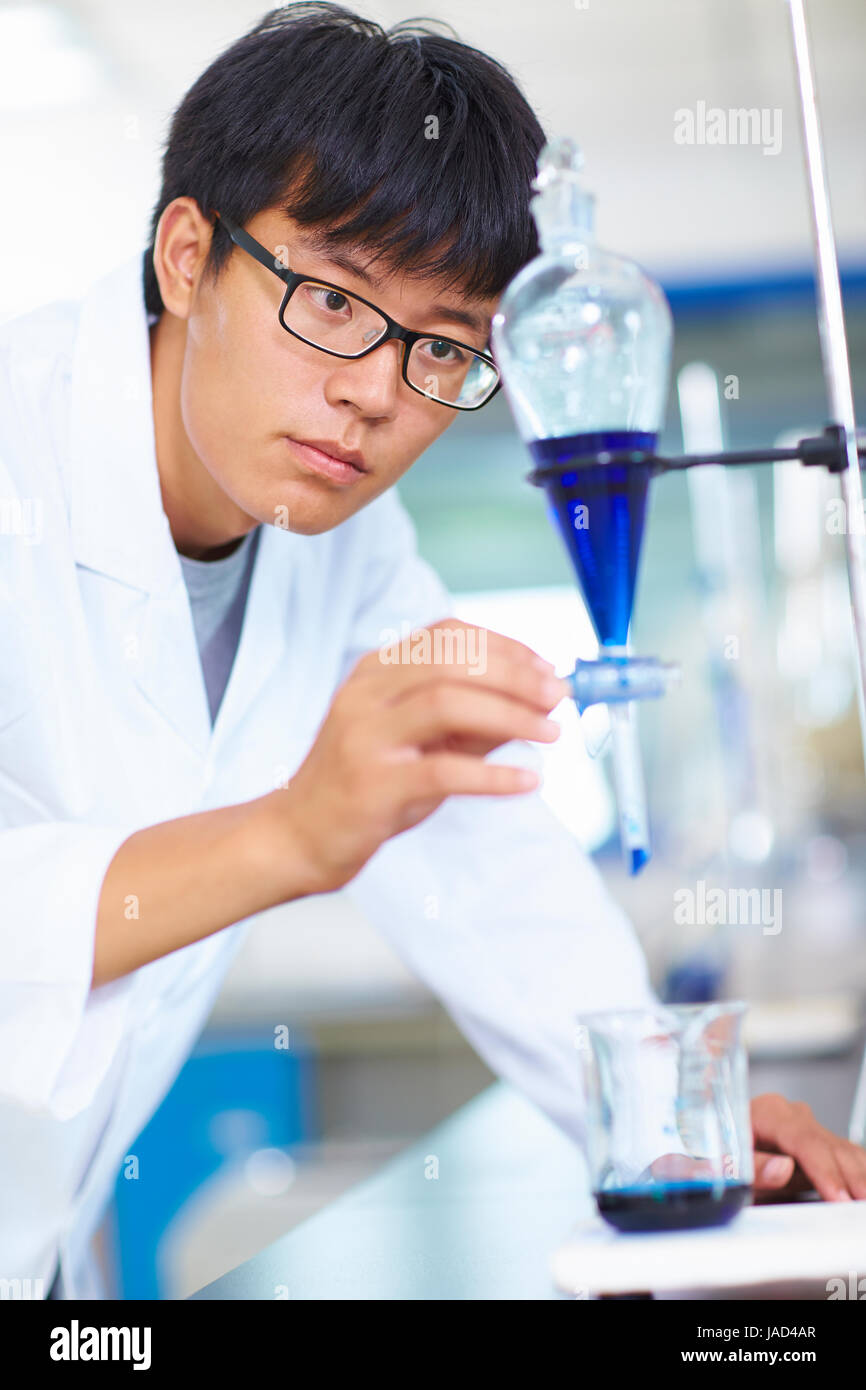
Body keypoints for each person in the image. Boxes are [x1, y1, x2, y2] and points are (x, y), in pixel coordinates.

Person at [2, 3, 863, 1303]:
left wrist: (666, 1106)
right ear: (186, 254)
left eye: (444, 346)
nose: (377, 391)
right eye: (333, 300)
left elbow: (484, 846)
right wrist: (294, 830)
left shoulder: (348, 541)